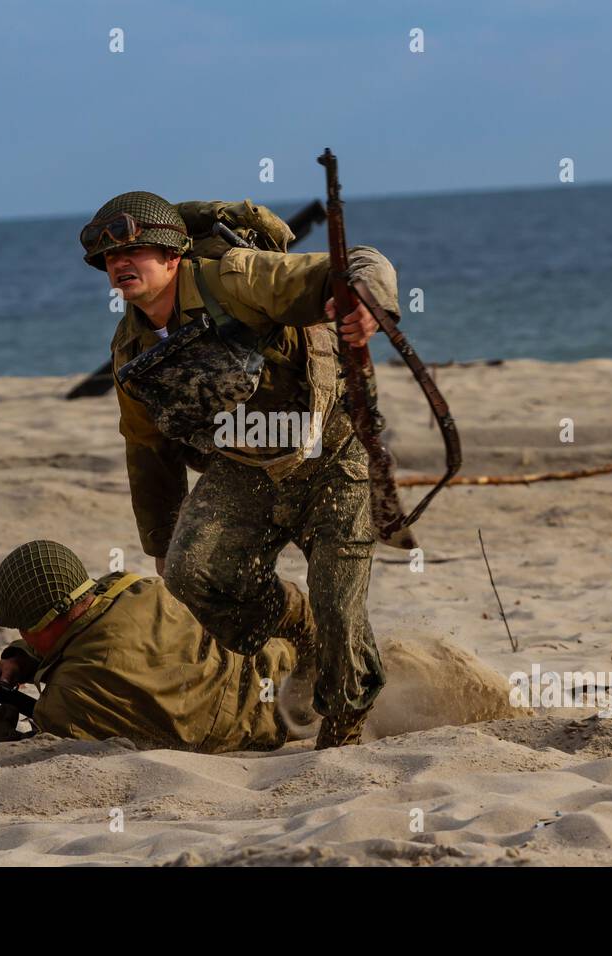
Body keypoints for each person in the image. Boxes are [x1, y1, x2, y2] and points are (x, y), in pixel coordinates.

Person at [80, 191, 402, 748]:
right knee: (191, 572)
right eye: (110, 258)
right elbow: (145, 443)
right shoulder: (130, 347)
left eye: (137, 251)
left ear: (174, 254)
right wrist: (159, 538)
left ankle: (345, 726)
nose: (120, 265)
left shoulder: (235, 279)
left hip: (330, 454)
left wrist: (368, 302)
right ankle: (292, 624)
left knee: (339, 605)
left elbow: (355, 263)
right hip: (245, 467)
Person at [0, 540, 310, 752]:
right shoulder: (132, 589)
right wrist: (20, 660)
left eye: (23, 631)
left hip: (291, 716)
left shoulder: (70, 698)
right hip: (294, 651)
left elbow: (33, 756)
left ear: (38, 626)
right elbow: (78, 632)